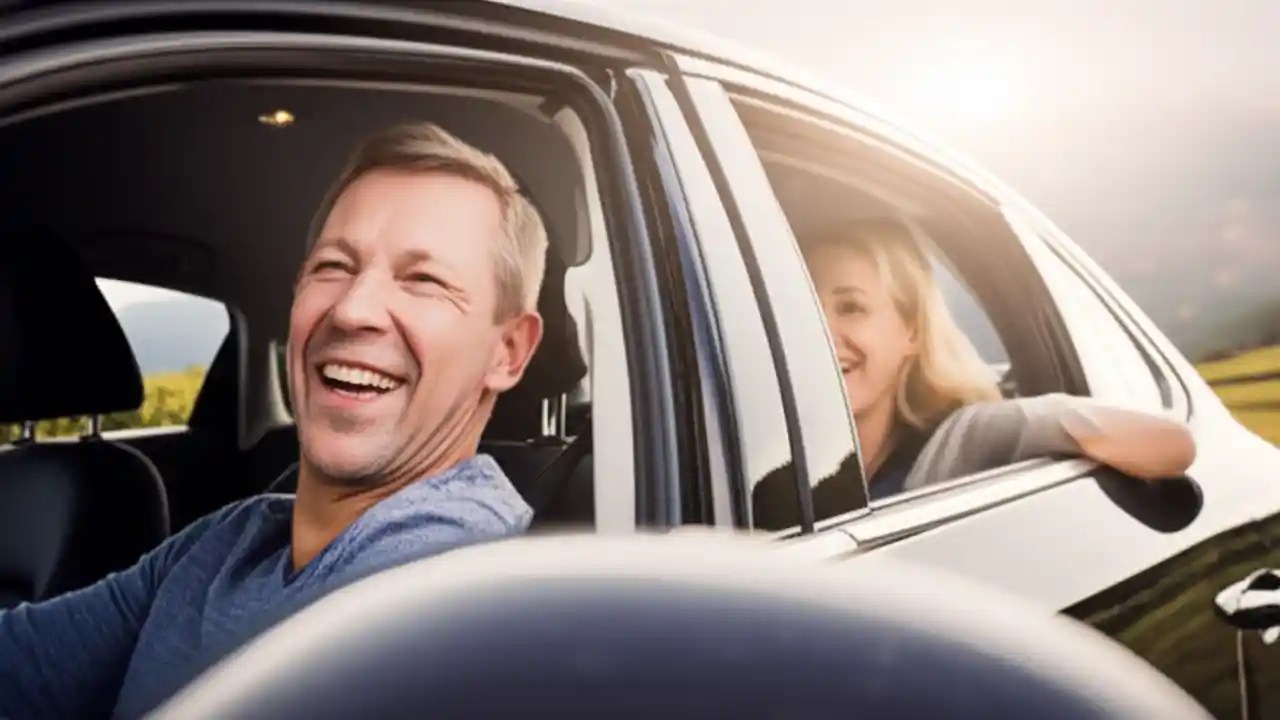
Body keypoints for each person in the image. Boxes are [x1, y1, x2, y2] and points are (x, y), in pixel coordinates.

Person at [0, 122, 548, 718]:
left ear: (509, 351)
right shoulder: (228, 541)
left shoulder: (469, 596)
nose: (353, 308)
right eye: (334, 266)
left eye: (424, 281)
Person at [752, 220, 1196, 528]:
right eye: (803, 306)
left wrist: (1055, 428)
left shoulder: (963, 441)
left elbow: (1171, 444)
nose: (820, 332)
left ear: (911, 330)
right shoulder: (757, 463)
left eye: (851, 307)